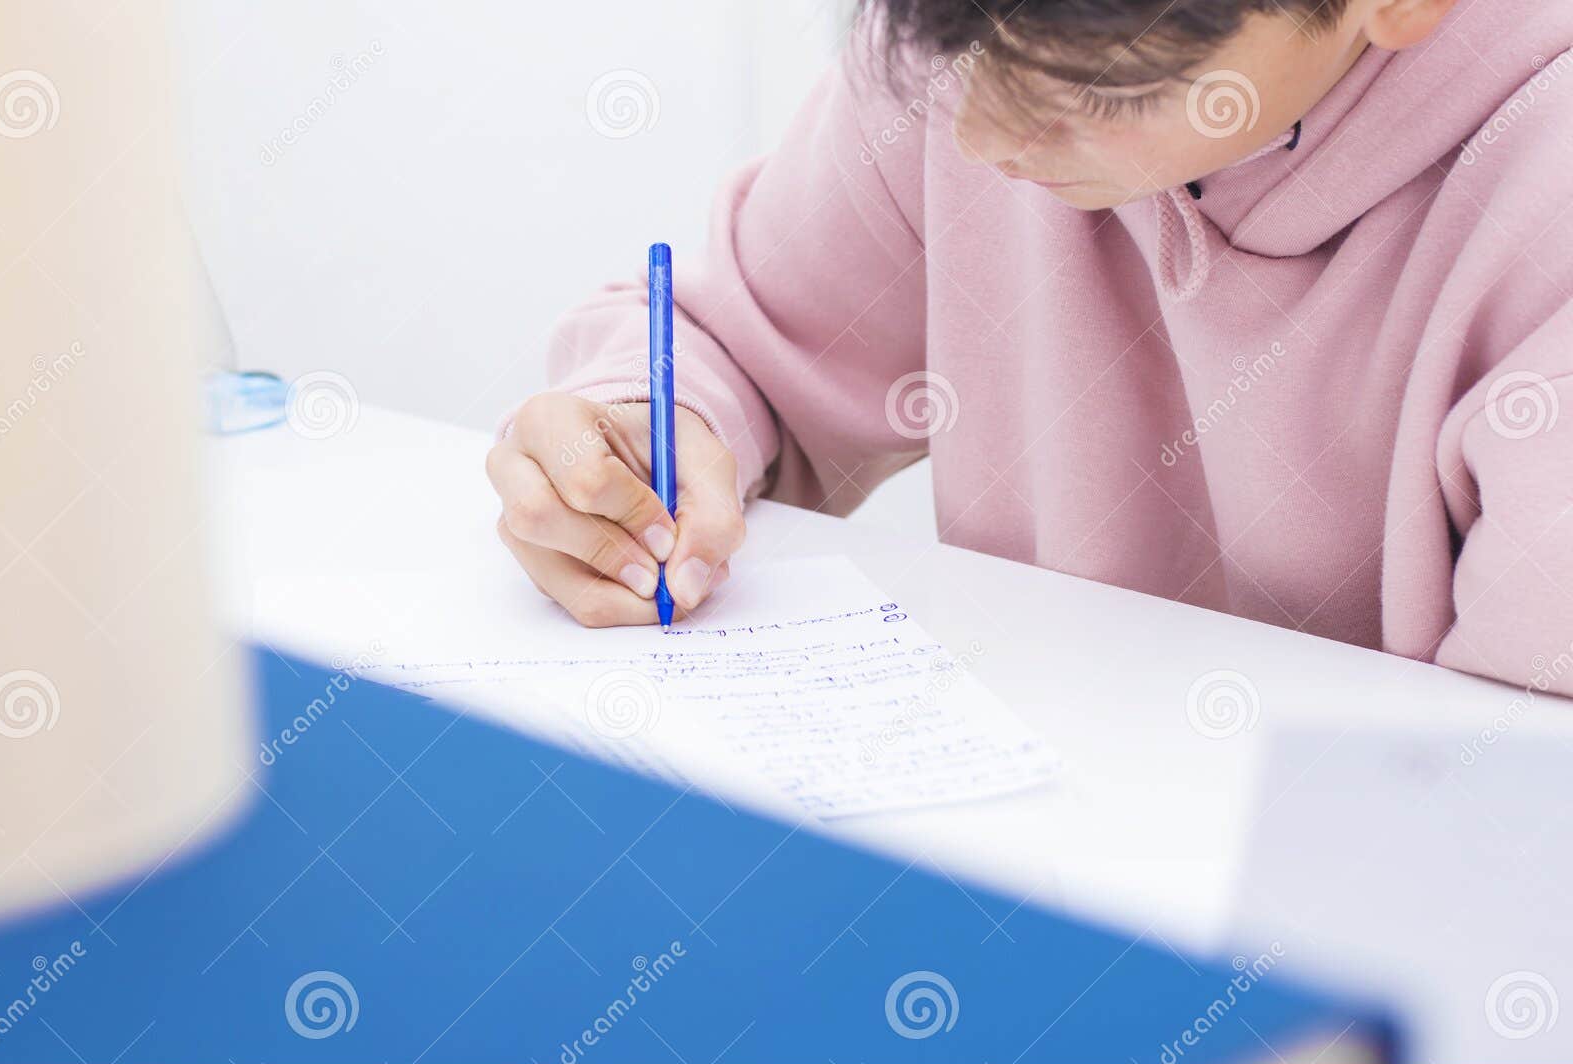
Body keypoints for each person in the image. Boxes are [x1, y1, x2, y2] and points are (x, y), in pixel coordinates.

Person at [487, 0, 1573, 694]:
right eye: (947, 50)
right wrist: (642, 437)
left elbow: (1509, 819)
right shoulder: (974, 40)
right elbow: (738, 342)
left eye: (1100, 91)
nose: (980, 140)